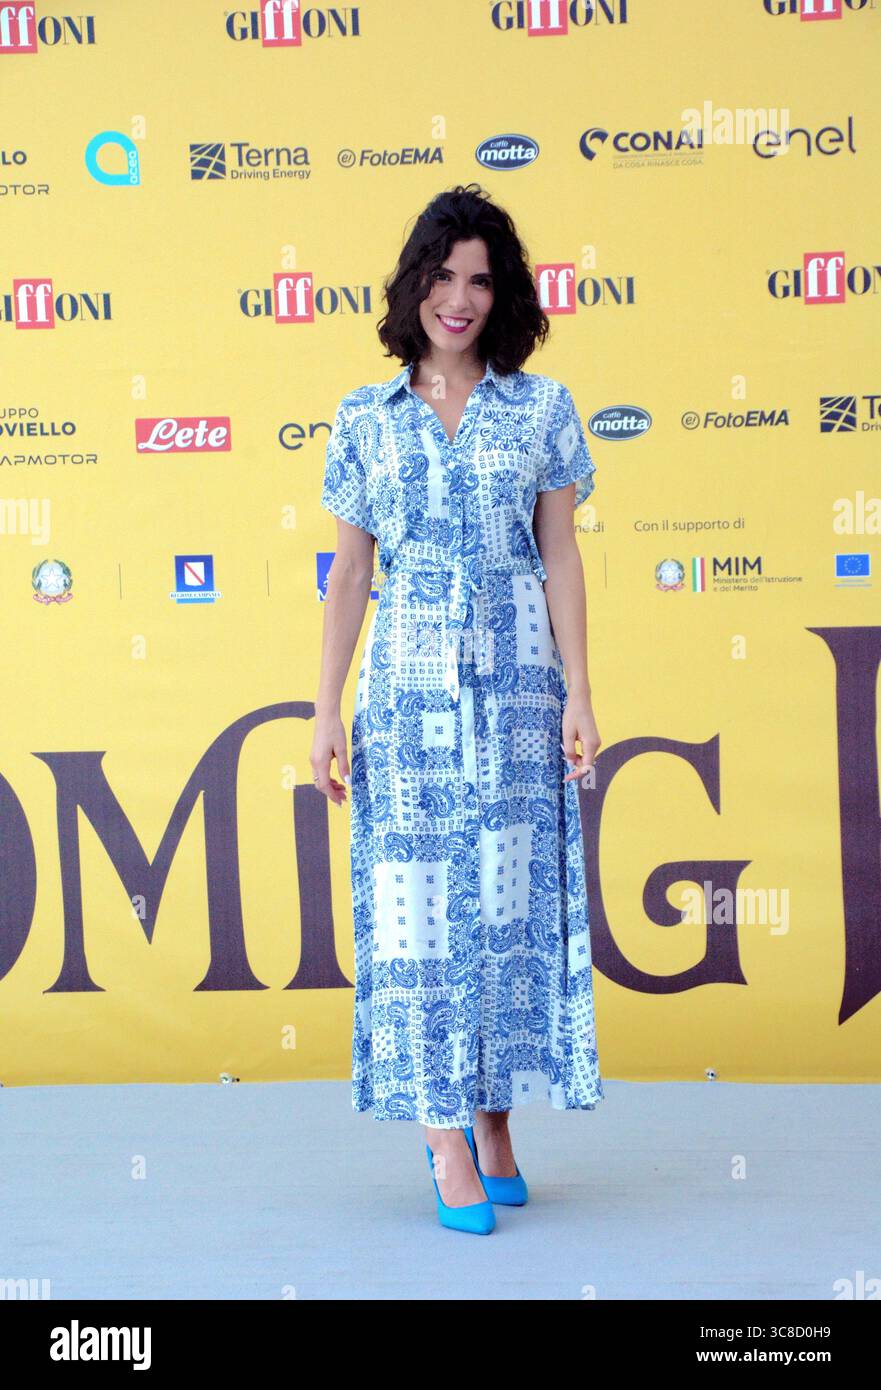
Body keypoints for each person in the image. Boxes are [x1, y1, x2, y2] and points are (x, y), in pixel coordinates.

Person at [312, 183, 604, 1235]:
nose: (459, 299)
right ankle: (441, 1138)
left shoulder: (540, 409)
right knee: (421, 917)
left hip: (520, 690)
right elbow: (349, 575)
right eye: (442, 277)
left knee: (502, 907)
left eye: (480, 281)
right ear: (414, 284)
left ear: (504, 294)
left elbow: (560, 554)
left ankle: (491, 1119)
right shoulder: (364, 418)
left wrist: (577, 692)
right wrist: (325, 710)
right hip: (407, 699)